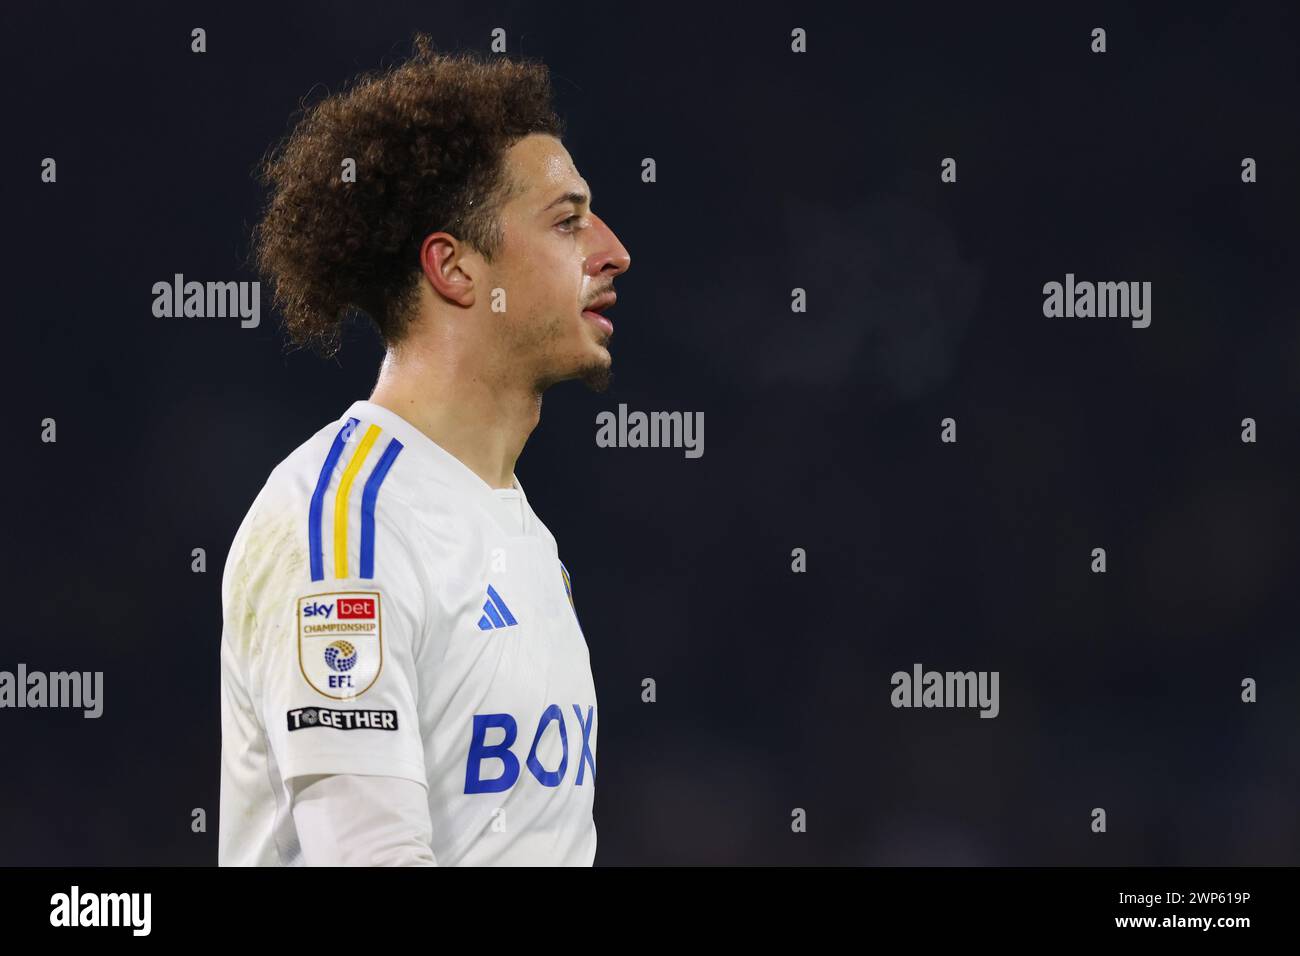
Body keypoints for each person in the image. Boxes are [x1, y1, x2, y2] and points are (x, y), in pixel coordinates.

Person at [217, 37, 630, 866]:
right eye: (567, 221)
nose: (612, 251)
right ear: (455, 269)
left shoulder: (524, 537)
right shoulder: (343, 531)